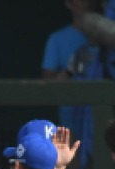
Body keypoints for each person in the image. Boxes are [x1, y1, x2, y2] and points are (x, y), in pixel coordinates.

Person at [42, 0, 98, 145]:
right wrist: (64, 76)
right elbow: (48, 79)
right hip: (72, 117)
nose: (84, 3)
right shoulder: (58, 39)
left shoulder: (109, 38)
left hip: (102, 114)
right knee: (74, 162)